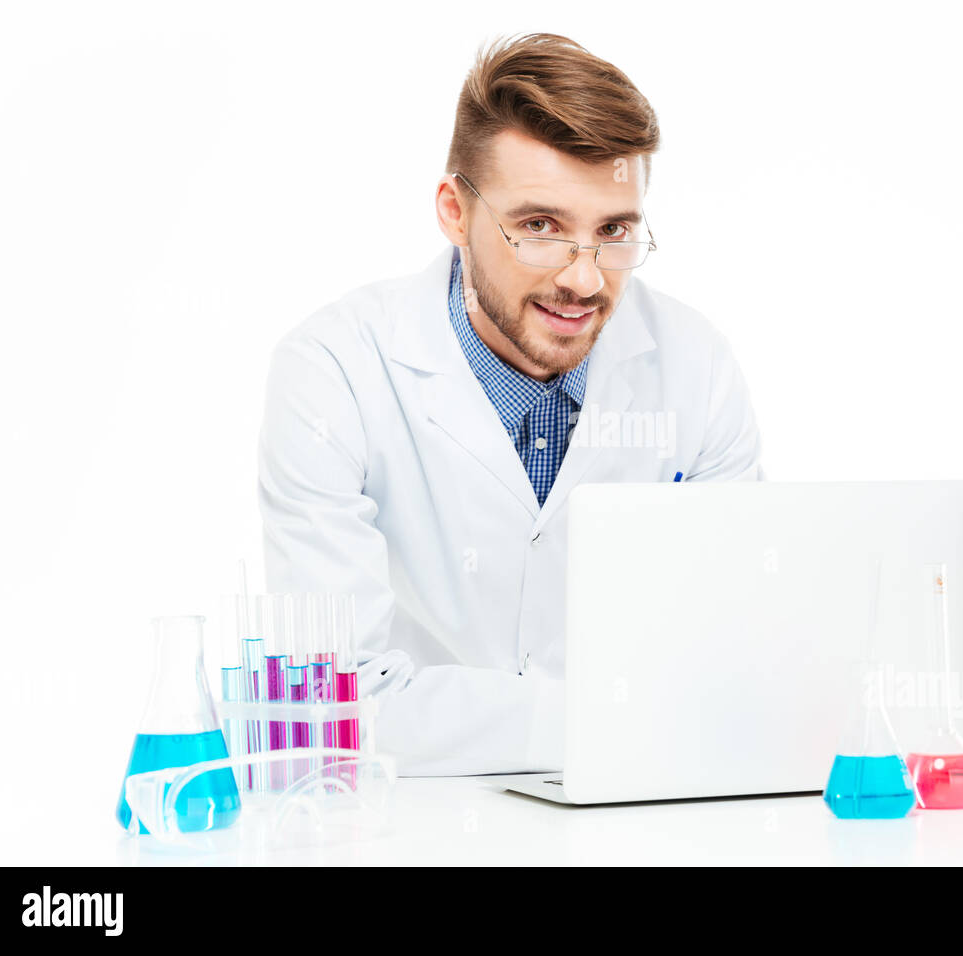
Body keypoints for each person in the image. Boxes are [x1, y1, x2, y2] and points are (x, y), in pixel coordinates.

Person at [258, 33, 763, 774]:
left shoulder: (697, 367)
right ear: (454, 212)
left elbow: (739, 661)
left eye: (613, 231)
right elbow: (331, 707)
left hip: (640, 823)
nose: (585, 280)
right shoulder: (333, 373)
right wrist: (613, 720)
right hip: (407, 831)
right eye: (539, 228)